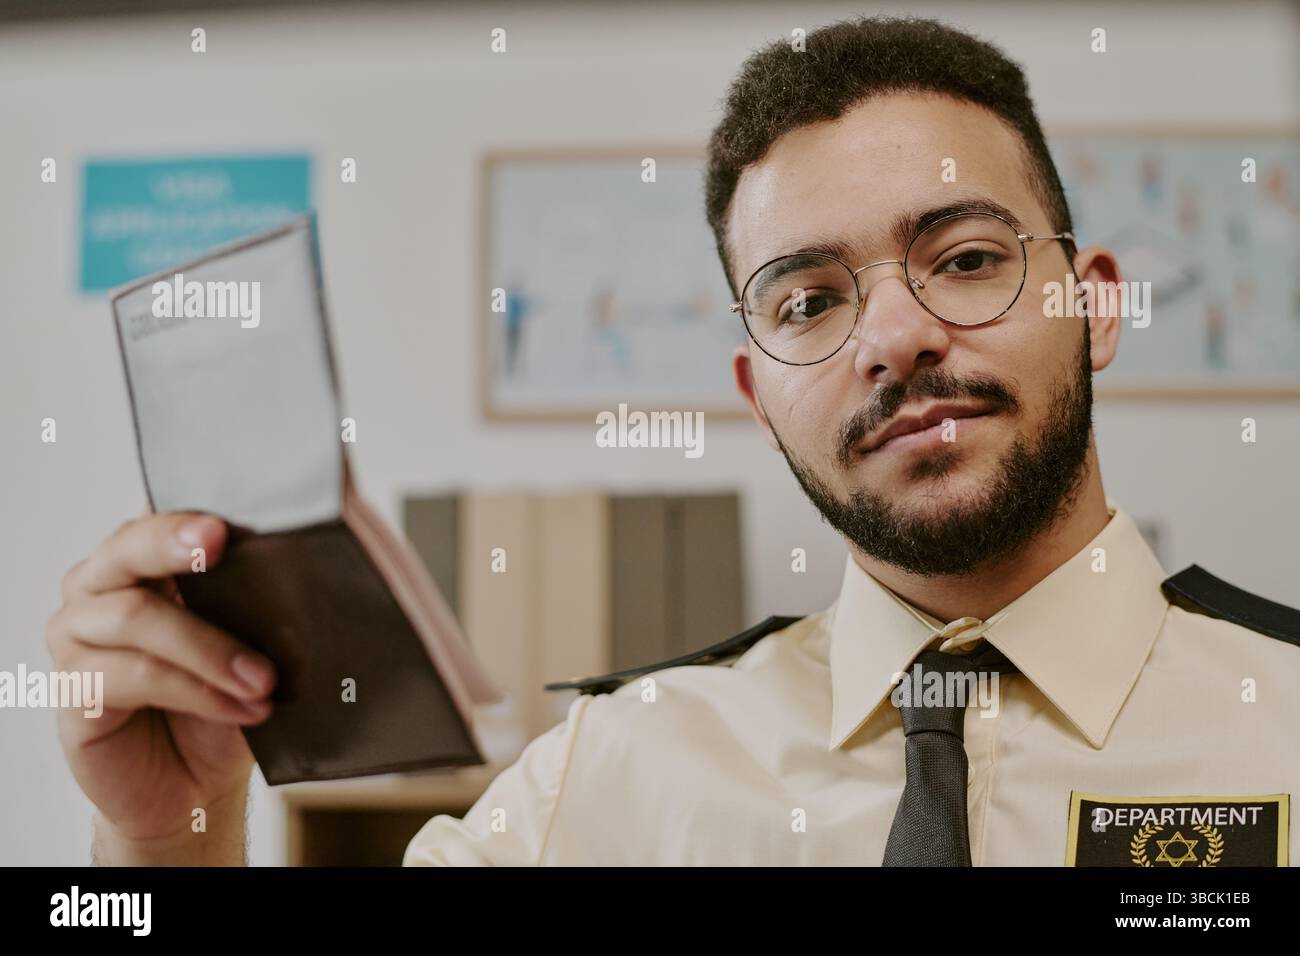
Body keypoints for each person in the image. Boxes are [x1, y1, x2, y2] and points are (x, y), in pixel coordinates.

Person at [49, 15, 1298, 867]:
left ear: (1095, 303)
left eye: (964, 258)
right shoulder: (606, 775)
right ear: (759, 394)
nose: (894, 337)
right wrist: (171, 840)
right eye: (811, 298)